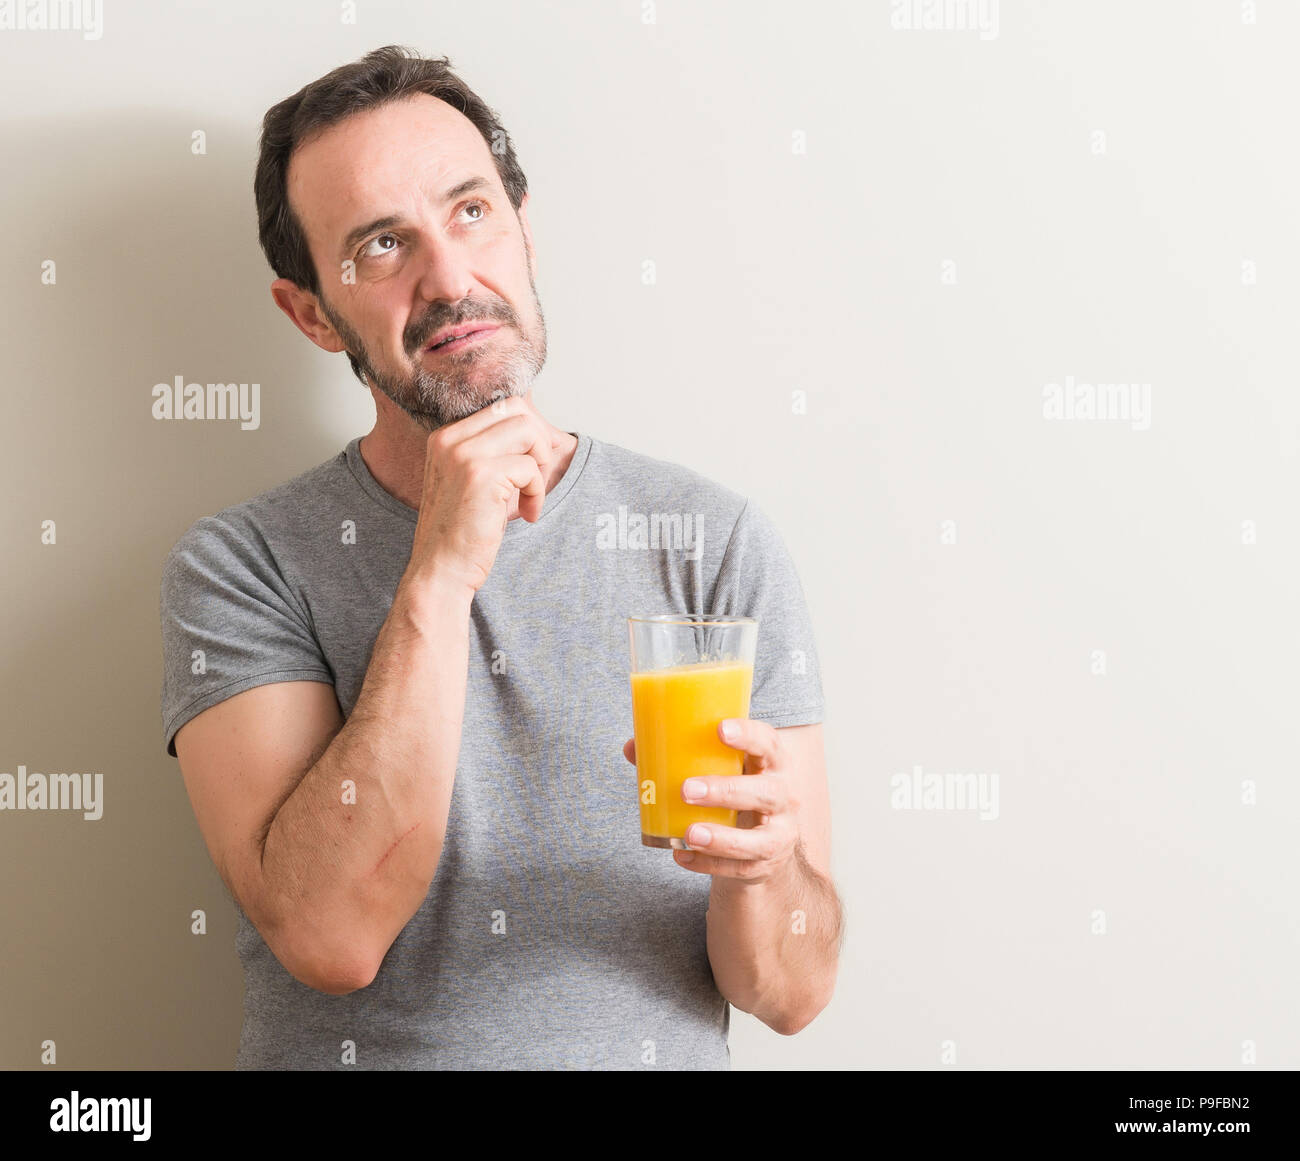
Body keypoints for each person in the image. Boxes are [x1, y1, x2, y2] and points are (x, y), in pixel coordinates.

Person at [159, 45, 841, 1070]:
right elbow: (329, 937)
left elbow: (790, 996)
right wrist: (438, 572)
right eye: (382, 246)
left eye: (470, 212)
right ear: (311, 312)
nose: (450, 278)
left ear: (524, 227)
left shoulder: (710, 540)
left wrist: (763, 874)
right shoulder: (242, 566)